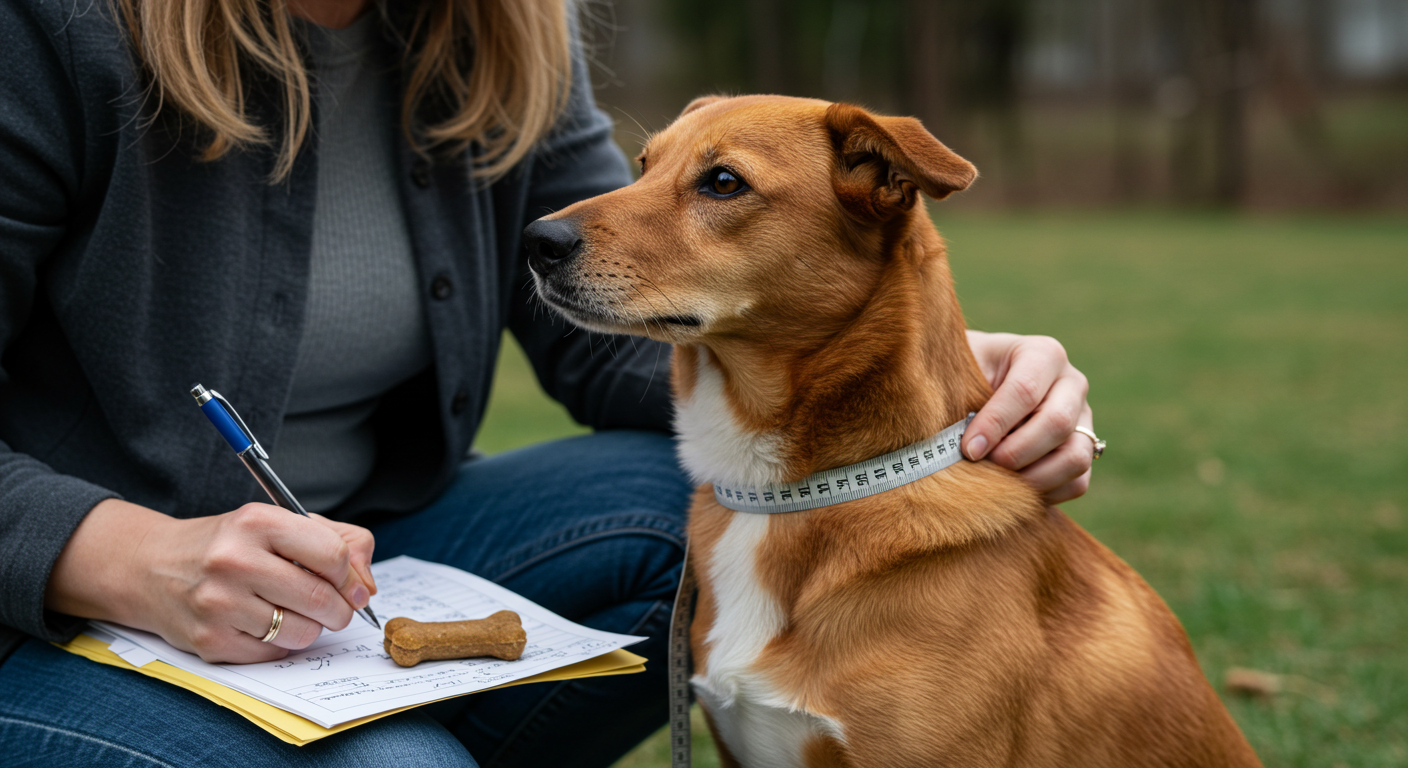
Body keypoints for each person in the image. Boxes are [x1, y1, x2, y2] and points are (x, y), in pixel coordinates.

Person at [0, 0, 1098, 765]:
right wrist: (123, 556)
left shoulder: (495, 30)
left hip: (362, 570)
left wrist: (919, 372)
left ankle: (343, 730)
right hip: (53, 612)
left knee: (714, 522)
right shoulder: (52, 28)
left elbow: (609, 328)